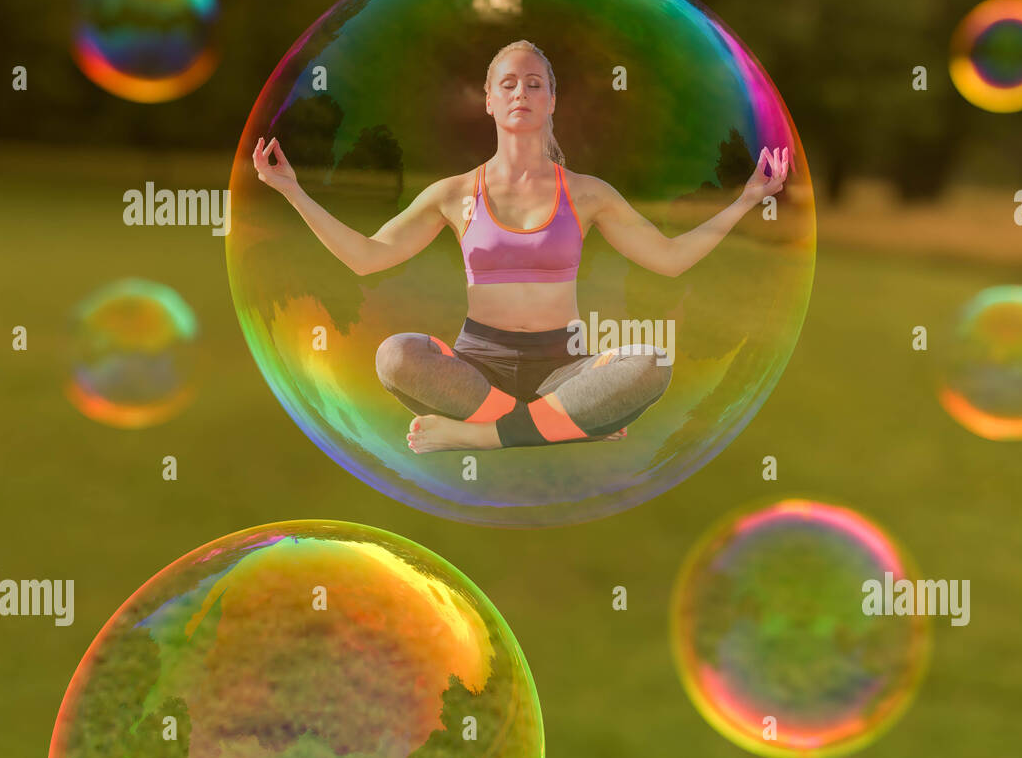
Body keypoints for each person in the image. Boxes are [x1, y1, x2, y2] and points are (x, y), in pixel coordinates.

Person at [253, 39, 789, 453]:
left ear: (551, 99)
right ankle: (566, 424)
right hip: (477, 369)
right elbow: (366, 257)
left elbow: (669, 260)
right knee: (395, 355)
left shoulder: (585, 193)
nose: (520, 94)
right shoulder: (454, 193)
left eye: (534, 84)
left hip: (566, 367)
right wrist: (291, 189)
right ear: (488, 100)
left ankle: (486, 435)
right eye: (507, 84)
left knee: (650, 362)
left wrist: (746, 200)